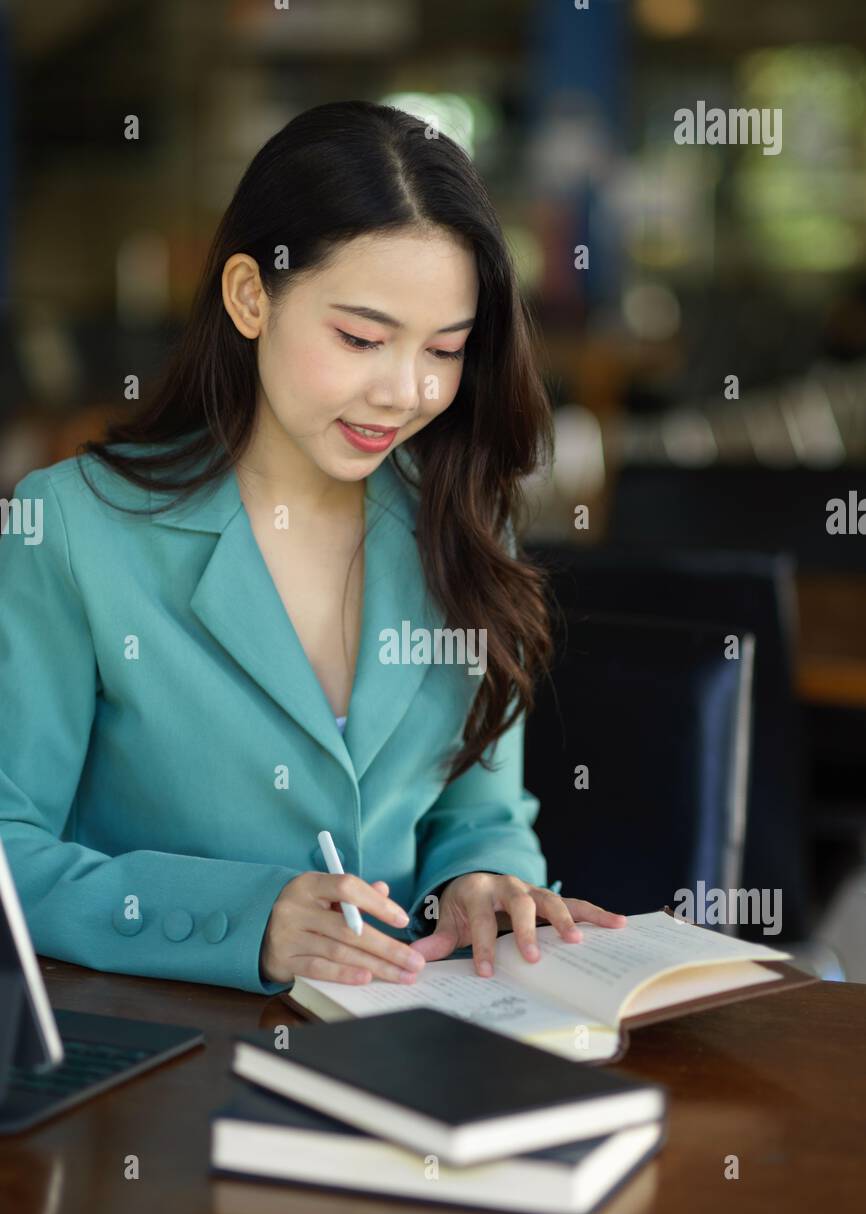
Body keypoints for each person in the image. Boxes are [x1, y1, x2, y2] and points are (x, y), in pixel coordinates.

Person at [0, 100, 625, 995]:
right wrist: (243, 921)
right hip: (162, 1062)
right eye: (362, 339)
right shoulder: (73, 529)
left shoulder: (460, 517)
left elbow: (478, 805)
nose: (405, 393)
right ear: (251, 296)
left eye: (444, 351)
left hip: (417, 1048)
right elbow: (8, 850)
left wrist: (477, 877)